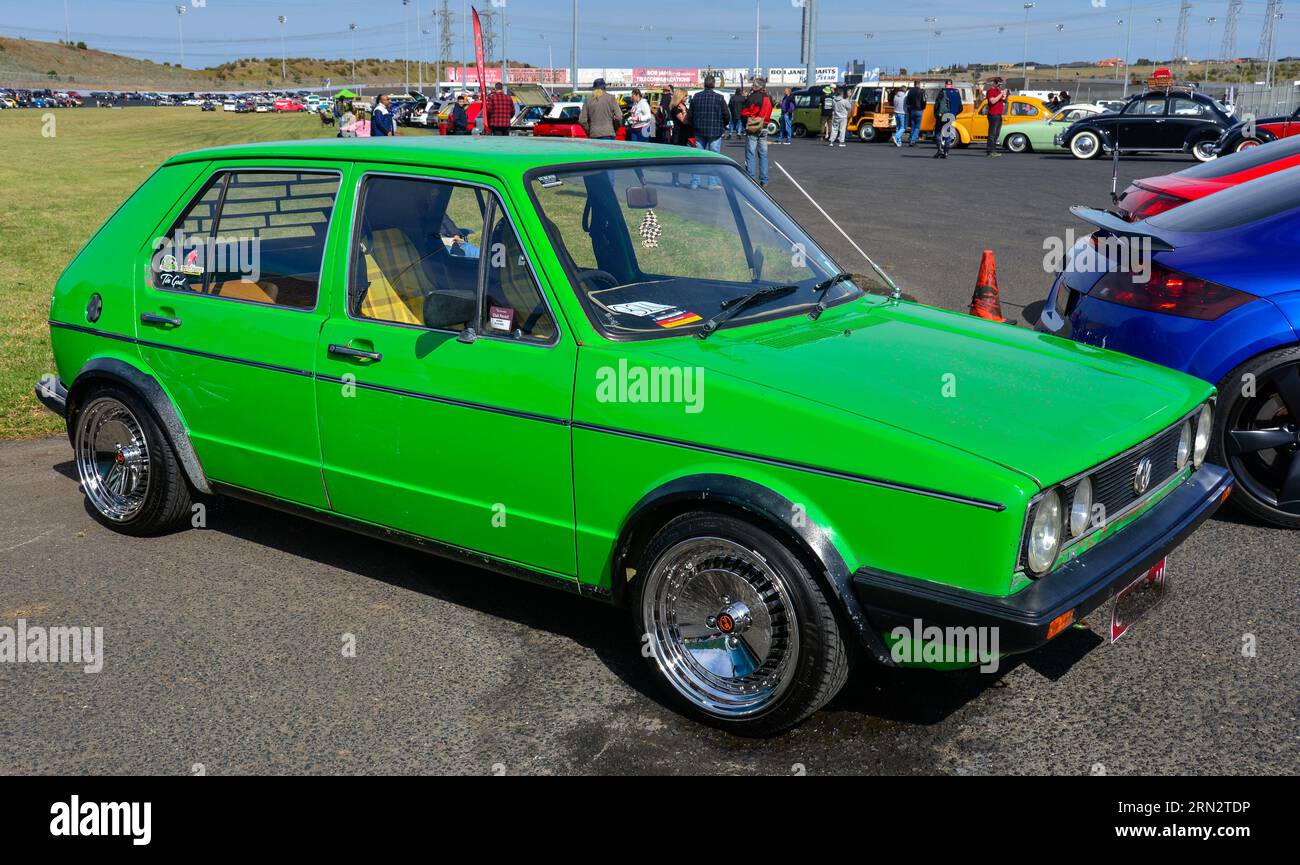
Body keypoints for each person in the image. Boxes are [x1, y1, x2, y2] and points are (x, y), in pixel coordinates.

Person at [686, 74, 730, 189]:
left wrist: (693, 127)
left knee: (698, 158)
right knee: (713, 158)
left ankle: (695, 182)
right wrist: (724, 125)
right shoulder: (719, 98)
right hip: (715, 131)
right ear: (714, 84)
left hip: (699, 131)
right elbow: (726, 115)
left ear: (704, 84)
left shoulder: (696, 97)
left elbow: (690, 115)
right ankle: (712, 182)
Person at [741, 77, 773, 187]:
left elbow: (745, 113)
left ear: (755, 86)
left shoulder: (753, 97)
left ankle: (751, 179)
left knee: (750, 154)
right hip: (764, 126)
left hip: (753, 126)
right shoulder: (768, 98)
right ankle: (764, 180)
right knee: (763, 155)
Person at [932, 78, 963, 159]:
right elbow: (960, 107)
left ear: (945, 84)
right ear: (952, 85)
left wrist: (935, 115)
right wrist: (954, 114)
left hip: (942, 116)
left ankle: (939, 150)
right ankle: (946, 152)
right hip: (951, 116)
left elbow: (936, 105)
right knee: (947, 134)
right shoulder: (957, 92)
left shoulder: (943, 92)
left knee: (938, 132)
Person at [985, 76, 1007, 157]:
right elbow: (993, 101)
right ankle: (990, 151)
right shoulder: (991, 91)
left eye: (1001, 85)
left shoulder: (998, 91)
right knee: (992, 133)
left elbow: (1004, 101)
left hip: (999, 114)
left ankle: (994, 150)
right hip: (993, 114)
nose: (1000, 86)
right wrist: (1001, 94)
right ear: (994, 83)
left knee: (996, 134)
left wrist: (1006, 95)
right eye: (999, 85)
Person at [903, 80, 925, 147]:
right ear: (919, 84)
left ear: (914, 84)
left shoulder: (910, 91)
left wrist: (910, 109)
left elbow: (907, 102)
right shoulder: (921, 91)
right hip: (919, 110)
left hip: (912, 111)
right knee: (917, 127)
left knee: (913, 126)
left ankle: (911, 139)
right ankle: (912, 141)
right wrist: (923, 108)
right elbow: (924, 101)